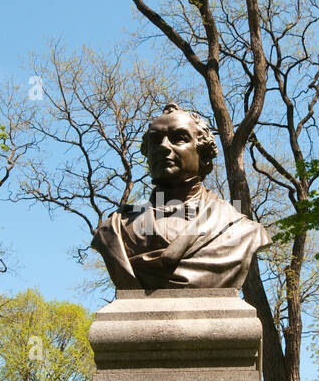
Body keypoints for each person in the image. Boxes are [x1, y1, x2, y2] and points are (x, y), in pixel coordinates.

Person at [91, 104, 270, 289]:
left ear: (203, 153)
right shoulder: (114, 231)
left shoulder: (241, 229)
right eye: (155, 140)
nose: (163, 147)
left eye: (178, 139)